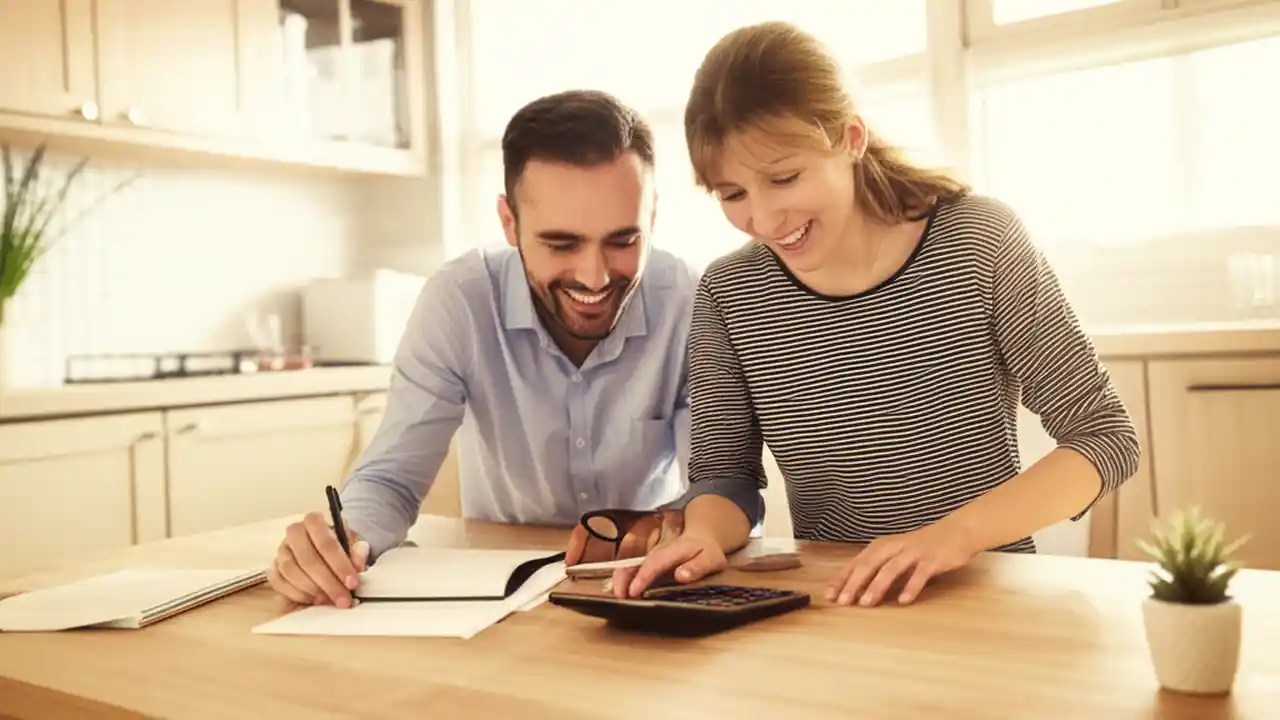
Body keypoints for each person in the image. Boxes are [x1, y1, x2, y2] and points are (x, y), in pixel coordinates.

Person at [612, 21, 1141, 607]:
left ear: (851, 139)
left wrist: (955, 536)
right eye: (731, 194)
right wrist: (704, 537)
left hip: (983, 599)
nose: (763, 219)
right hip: (842, 604)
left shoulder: (978, 241)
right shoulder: (729, 291)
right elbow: (724, 476)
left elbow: (1105, 438)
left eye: (784, 178)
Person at [266, 90, 698, 608]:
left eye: (623, 241)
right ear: (509, 222)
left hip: (642, 589)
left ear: (653, 216)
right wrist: (345, 544)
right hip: (498, 594)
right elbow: (392, 478)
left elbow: (720, 487)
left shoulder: (692, 304)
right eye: (561, 244)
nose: (595, 276)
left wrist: (677, 522)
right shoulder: (461, 300)